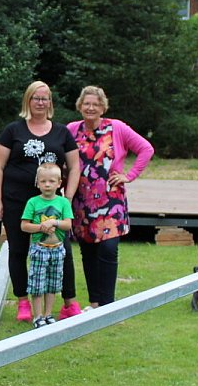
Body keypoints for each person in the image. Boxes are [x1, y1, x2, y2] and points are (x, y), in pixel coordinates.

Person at [0, 81, 81, 322]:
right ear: (28, 101)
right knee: (18, 250)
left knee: (62, 250)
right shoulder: (12, 131)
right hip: (17, 200)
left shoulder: (62, 132)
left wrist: (67, 198)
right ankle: (23, 301)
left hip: (52, 202)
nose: (41, 102)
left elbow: (74, 167)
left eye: (45, 98)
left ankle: (69, 302)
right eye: (36, 98)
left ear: (50, 102)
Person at [66, 86, 154, 308]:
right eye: (87, 104)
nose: (91, 108)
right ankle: (95, 303)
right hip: (81, 201)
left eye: (96, 104)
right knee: (88, 251)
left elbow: (146, 149)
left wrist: (129, 176)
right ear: (80, 106)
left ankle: (108, 306)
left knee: (108, 249)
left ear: (103, 107)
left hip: (110, 201)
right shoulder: (71, 130)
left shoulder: (116, 128)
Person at [20, 163, 74, 328]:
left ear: (59, 183)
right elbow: (24, 226)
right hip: (39, 249)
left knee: (53, 283)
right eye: (43, 181)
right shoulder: (33, 202)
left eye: (51, 181)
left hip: (57, 249)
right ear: (37, 183)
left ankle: (48, 314)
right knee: (37, 284)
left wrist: (54, 222)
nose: (47, 185)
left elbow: (68, 224)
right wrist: (41, 227)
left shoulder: (63, 202)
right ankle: (38, 316)